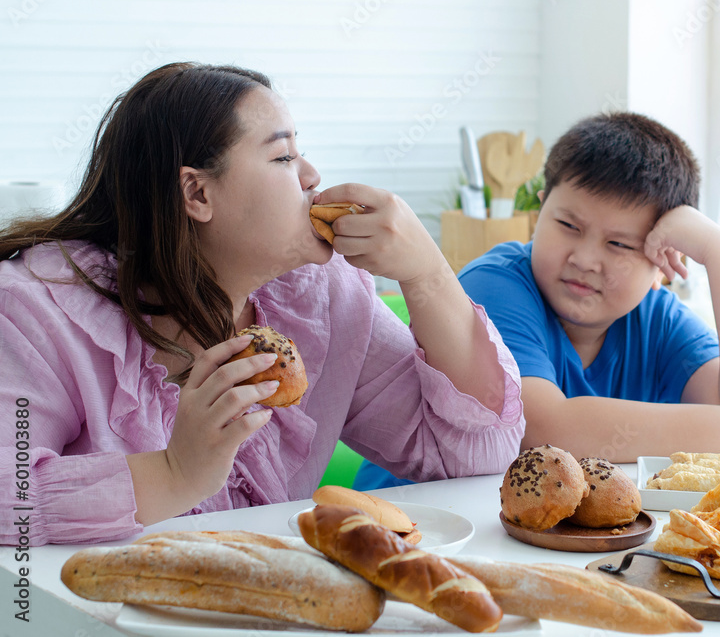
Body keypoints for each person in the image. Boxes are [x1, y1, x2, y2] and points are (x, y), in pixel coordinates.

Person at [0, 62, 524, 546]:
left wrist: (428, 275)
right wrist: (174, 474)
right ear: (197, 194)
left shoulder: (323, 298)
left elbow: (475, 456)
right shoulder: (36, 310)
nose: (312, 176)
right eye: (283, 156)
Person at [456, 112, 720, 461]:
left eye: (620, 245)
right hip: (427, 521)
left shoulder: (658, 320)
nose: (584, 259)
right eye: (568, 225)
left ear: (662, 261)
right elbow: (539, 429)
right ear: (540, 212)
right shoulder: (493, 286)